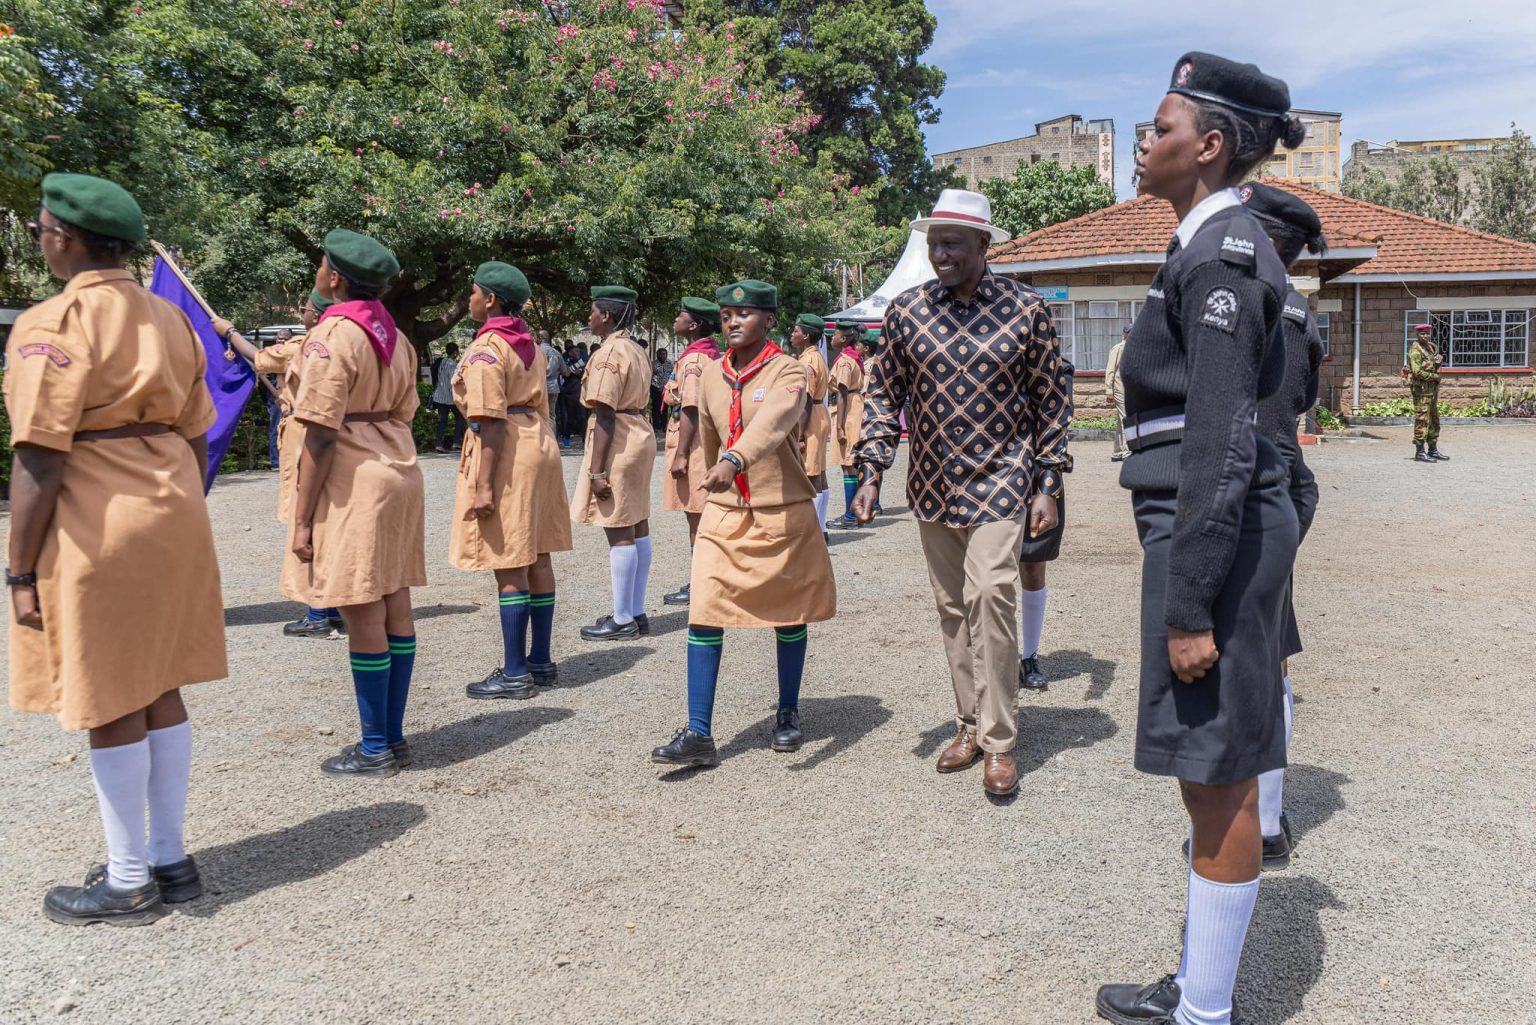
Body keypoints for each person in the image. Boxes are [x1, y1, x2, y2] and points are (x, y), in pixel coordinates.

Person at [1095, 53, 1305, 1025]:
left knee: (1216, 781)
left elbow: (1222, 443)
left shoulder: (1221, 254)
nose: (1146, 141)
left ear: (1208, 146)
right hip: (1201, 535)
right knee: (1206, 778)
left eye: (1161, 126)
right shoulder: (1204, 245)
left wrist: (1189, 602)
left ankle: (1204, 1013)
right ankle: (1198, 984)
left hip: (1207, 543)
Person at [6, 173, 226, 924]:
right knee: (161, 681)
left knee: (109, 693)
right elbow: (197, 432)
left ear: (64, 238)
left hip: (101, 517)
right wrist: (178, 506)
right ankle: (171, 856)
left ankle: (128, 877)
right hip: (173, 505)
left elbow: (38, 456)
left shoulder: (53, 321)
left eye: (39, 232)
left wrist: (17, 566)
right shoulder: (171, 317)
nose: (41, 242)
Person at [852, 187, 1070, 799]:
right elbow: (883, 395)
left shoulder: (1027, 310)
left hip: (1004, 477)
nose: (940, 254)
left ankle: (1000, 742)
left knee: (992, 595)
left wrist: (1048, 480)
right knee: (952, 609)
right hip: (932, 482)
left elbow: (1052, 401)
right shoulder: (907, 312)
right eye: (933, 243)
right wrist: (871, 470)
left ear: (983, 244)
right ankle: (969, 723)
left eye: (951, 243)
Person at [650, 280, 836, 768]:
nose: (733, 321)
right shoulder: (710, 373)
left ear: (770, 320)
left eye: (746, 314)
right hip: (728, 511)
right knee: (705, 609)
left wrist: (734, 459)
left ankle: (789, 712)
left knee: (789, 612)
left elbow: (774, 421)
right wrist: (720, 476)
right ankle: (698, 731)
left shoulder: (789, 371)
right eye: (727, 314)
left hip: (782, 510)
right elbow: (708, 436)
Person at [282, 228, 427, 779]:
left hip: (355, 476)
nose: (319, 271)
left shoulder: (332, 336)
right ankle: (393, 736)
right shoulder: (396, 336)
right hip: (398, 466)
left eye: (322, 265)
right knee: (394, 598)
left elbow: (318, 434)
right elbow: (407, 409)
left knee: (359, 603)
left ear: (335, 277)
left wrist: (301, 519)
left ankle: (374, 748)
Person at [1239, 181, 1328, 870]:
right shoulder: (1296, 313)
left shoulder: (1260, 307)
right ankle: (1262, 812)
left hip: (1248, 494)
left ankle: (1262, 819)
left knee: (1260, 659)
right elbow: (1305, 400)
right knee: (1267, 654)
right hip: (1273, 490)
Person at [452, 262, 573, 698]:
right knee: (538, 555)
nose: (469, 300)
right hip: (537, 442)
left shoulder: (488, 348)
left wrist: (484, 486)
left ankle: (515, 671)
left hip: (508, 450)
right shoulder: (529, 345)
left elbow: (489, 419)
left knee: (509, 559)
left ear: (489, 299)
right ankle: (540, 660)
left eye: (473, 292)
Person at [215, 290, 345, 640]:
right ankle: (334, 609)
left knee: (308, 524)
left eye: (304, 309)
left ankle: (319, 612)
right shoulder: (347, 342)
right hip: (330, 436)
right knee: (323, 522)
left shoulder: (307, 345)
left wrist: (229, 332)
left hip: (306, 437)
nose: (301, 314)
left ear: (316, 315)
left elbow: (259, 358)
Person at [570, 286, 655, 640]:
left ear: (605, 315)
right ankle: (636, 611)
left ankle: (622, 619)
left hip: (619, 435)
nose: (588, 317)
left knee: (618, 525)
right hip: (639, 431)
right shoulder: (635, 348)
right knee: (637, 522)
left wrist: (597, 471)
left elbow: (604, 412)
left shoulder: (609, 353)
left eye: (592, 311)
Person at [661, 297, 723, 606]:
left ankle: (702, 582)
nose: (676, 319)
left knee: (697, 517)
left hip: (694, 444)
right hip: (697, 441)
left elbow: (691, 407)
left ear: (695, 324)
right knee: (697, 517)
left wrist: (681, 454)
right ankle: (705, 578)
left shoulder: (696, 360)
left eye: (681, 315)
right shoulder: (700, 354)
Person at [1018, 359, 1075, 692]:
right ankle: (995, 656)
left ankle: (1029, 655)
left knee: (1032, 567)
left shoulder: (1059, 369)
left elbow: (1060, 423)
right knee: (986, 574)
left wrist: (1048, 486)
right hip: (990, 476)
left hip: (1039, 477)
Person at [789, 313, 833, 530]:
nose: (792, 334)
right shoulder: (816, 357)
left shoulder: (807, 361)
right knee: (820, 471)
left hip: (811, 416)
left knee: (811, 472)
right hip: (820, 413)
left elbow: (805, 400)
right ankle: (822, 526)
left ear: (806, 335)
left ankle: (813, 529)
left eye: (796, 330)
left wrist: (798, 435)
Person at [825, 319, 866, 530]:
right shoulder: (853, 357)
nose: (832, 338)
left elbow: (841, 393)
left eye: (835, 334)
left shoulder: (843, 361)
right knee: (852, 465)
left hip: (848, 412)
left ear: (844, 338)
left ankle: (850, 516)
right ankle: (855, 513)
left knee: (848, 465)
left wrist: (840, 427)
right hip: (855, 407)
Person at [1407, 322, 1447, 462]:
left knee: (1434, 420)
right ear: (1417, 335)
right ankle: (1419, 452)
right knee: (1422, 420)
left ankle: (1433, 450)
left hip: (1432, 391)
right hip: (1421, 391)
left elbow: (1432, 365)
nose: (1425, 336)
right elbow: (1417, 372)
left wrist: (1438, 362)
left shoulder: (1430, 348)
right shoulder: (1415, 351)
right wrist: (1435, 377)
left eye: (1427, 333)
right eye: (1422, 333)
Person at [430, 342, 465, 453]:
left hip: (439, 396)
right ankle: (455, 443)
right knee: (460, 418)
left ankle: (438, 444)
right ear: (455, 353)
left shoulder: (442, 361)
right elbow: (453, 381)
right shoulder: (452, 365)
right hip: (449, 398)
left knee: (442, 420)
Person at [266, 328, 292, 469]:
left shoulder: (295, 353)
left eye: (284, 338)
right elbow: (262, 374)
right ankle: (275, 462)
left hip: (292, 397)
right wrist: (274, 393)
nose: (281, 341)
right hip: (275, 396)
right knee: (275, 428)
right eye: (279, 338)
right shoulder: (271, 354)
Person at [1105, 325, 1131, 461]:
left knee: (1121, 420)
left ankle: (1117, 452)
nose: (1130, 334)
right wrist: (1109, 390)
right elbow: (1110, 370)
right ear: (1123, 333)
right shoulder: (1118, 348)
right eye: (1128, 332)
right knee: (1126, 418)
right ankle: (1127, 452)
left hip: (1131, 390)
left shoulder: (1136, 348)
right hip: (1119, 389)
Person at [558, 340, 586, 446]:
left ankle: (584, 440)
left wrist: (574, 371)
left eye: (579, 352)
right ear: (570, 353)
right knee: (568, 418)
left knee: (582, 417)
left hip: (579, 393)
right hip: (568, 394)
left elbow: (583, 374)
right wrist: (573, 370)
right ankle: (566, 440)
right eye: (576, 352)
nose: (578, 353)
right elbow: (566, 373)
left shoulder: (582, 362)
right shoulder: (565, 362)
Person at [539, 329, 566, 431]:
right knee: (551, 415)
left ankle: (542, 440)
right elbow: (565, 371)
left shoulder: (536, 351)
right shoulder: (556, 352)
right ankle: (552, 439)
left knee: (540, 414)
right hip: (554, 387)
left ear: (540, 338)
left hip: (540, 386)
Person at [650, 344, 674, 432]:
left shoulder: (670, 363)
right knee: (656, 407)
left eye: (664, 354)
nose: (662, 356)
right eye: (660, 354)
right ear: (657, 355)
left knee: (665, 408)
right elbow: (650, 375)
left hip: (667, 389)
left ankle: (664, 425)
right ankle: (656, 426)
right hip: (655, 388)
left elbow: (673, 374)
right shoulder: (653, 364)